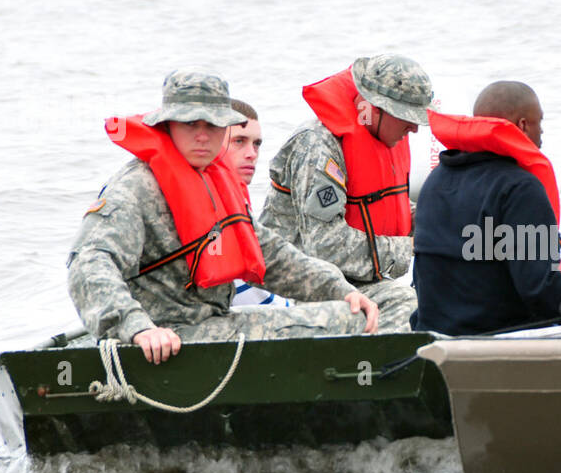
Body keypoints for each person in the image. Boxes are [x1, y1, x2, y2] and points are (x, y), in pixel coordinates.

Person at [67, 70, 378, 365]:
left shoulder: (214, 180)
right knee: (339, 323)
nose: (202, 136)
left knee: (350, 312)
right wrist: (137, 327)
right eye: (191, 124)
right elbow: (89, 262)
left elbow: (273, 256)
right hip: (165, 337)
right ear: (168, 125)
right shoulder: (135, 188)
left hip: (211, 323)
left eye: (212, 125)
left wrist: (340, 288)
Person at [412, 81, 561, 335]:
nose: (542, 132)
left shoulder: (437, 180)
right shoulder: (519, 189)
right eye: (540, 122)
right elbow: (542, 291)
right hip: (495, 339)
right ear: (522, 125)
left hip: (435, 334)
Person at [259, 55, 429, 333]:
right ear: (375, 109)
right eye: (407, 117)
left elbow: (390, 207)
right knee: (407, 307)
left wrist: (439, 221)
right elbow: (326, 248)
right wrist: (410, 248)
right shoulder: (318, 147)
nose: (414, 128)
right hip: (301, 284)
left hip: (359, 278)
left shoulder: (385, 137)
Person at [218, 98, 292, 308]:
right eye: (239, 141)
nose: (252, 154)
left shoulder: (236, 203)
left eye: (257, 144)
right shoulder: (208, 208)